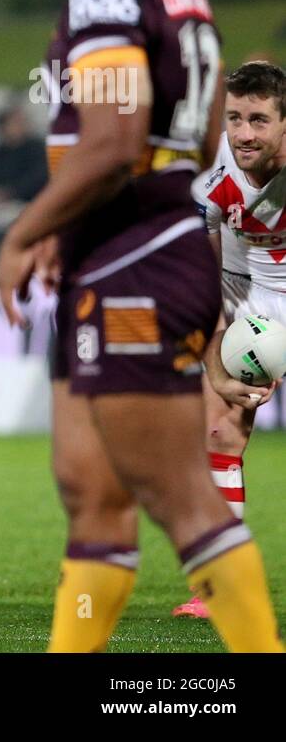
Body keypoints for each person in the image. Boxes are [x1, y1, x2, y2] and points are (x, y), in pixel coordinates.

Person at [0, 0, 283, 652]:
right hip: (121, 251)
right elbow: (185, 139)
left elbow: (116, 142)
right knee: (92, 494)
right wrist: (69, 223)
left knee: (181, 495)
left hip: (135, 265)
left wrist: (26, 230)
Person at [179, 61, 286, 618]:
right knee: (220, 432)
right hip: (243, 288)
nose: (245, 133)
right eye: (236, 118)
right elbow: (202, 282)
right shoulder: (213, 174)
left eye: (260, 121)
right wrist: (216, 367)